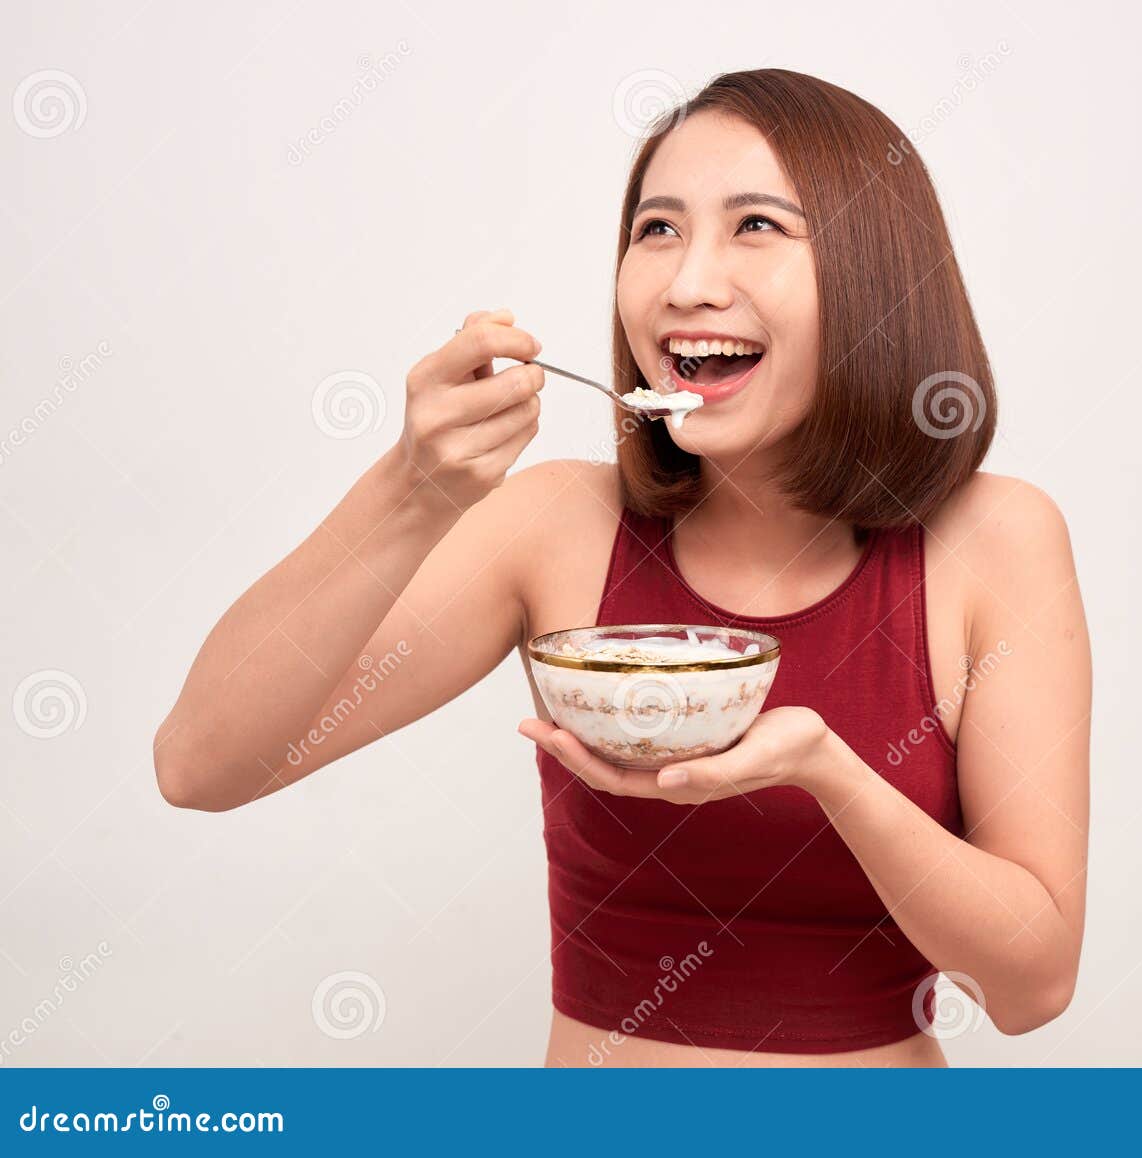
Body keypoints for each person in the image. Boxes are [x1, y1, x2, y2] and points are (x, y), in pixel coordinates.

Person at [154, 68, 1091, 1067]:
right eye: (656, 229)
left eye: (756, 226)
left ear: (873, 271)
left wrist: (826, 774)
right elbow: (202, 764)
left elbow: (1031, 985)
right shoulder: (559, 522)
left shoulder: (992, 542)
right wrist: (410, 490)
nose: (686, 283)